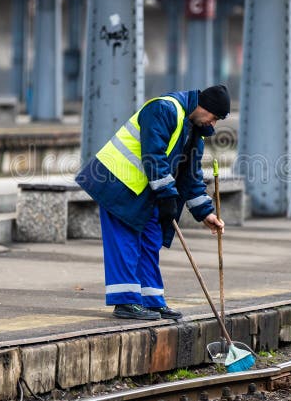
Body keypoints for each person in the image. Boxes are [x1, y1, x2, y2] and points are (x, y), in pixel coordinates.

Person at [76, 85, 229, 320]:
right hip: (118, 183)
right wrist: (167, 195)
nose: (213, 124)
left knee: (151, 239)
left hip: (144, 190)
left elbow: (191, 177)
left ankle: (151, 300)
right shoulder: (163, 108)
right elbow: (153, 156)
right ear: (203, 107)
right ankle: (126, 302)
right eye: (214, 117)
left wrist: (205, 213)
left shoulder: (194, 132)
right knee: (124, 240)